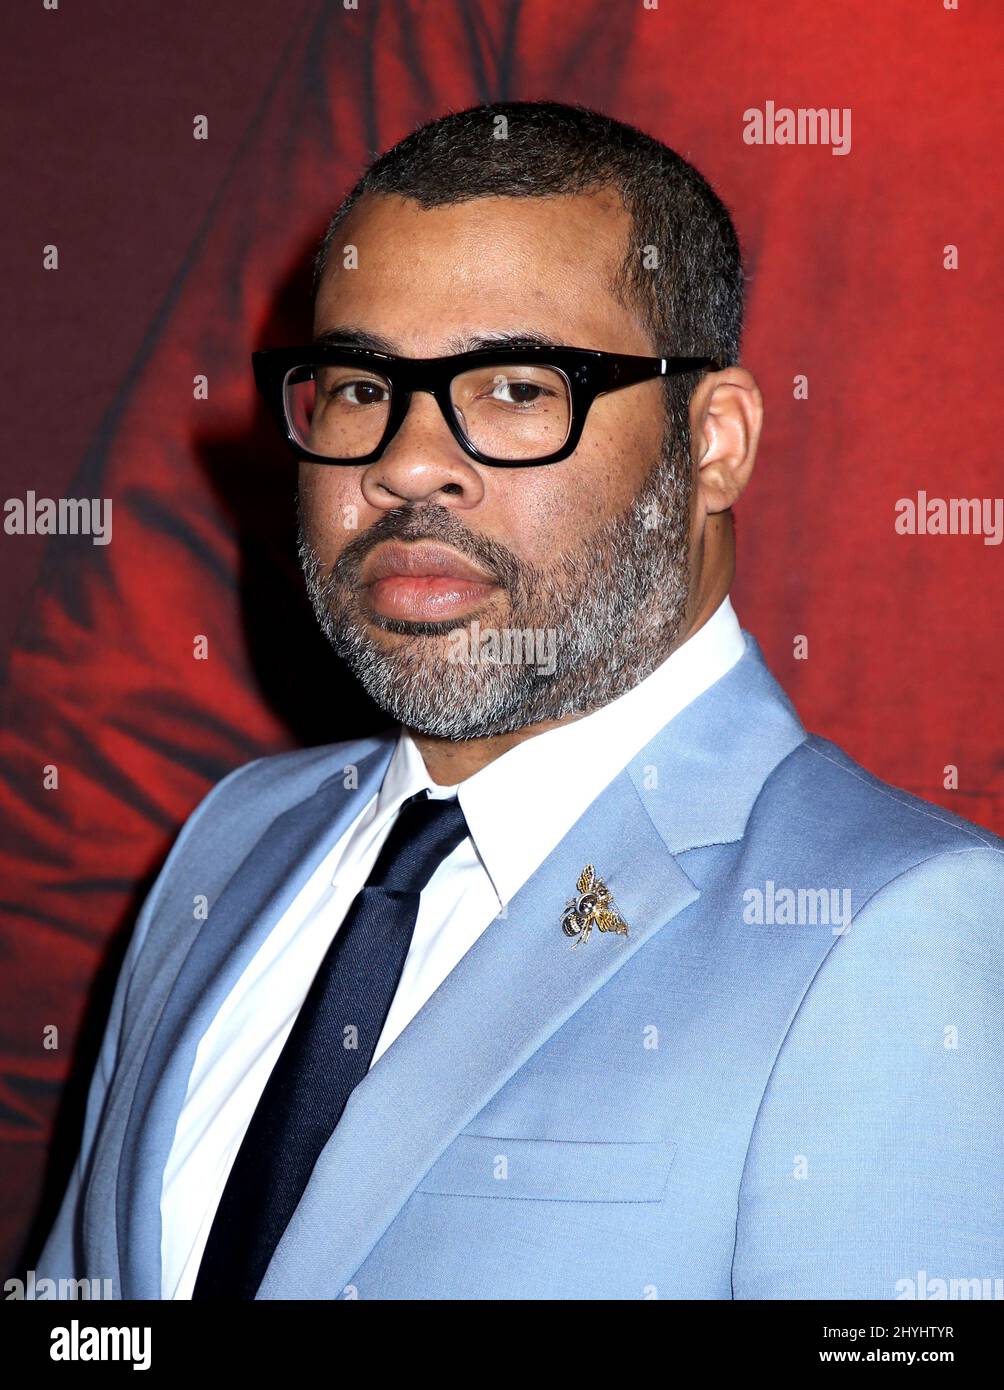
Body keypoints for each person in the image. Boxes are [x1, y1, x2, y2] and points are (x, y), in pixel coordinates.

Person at [36, 100, 1003, 1301]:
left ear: (711, 443)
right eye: (353, 386)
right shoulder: (230, 840)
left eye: (511, 387)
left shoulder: (896, 927)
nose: (403, 462)